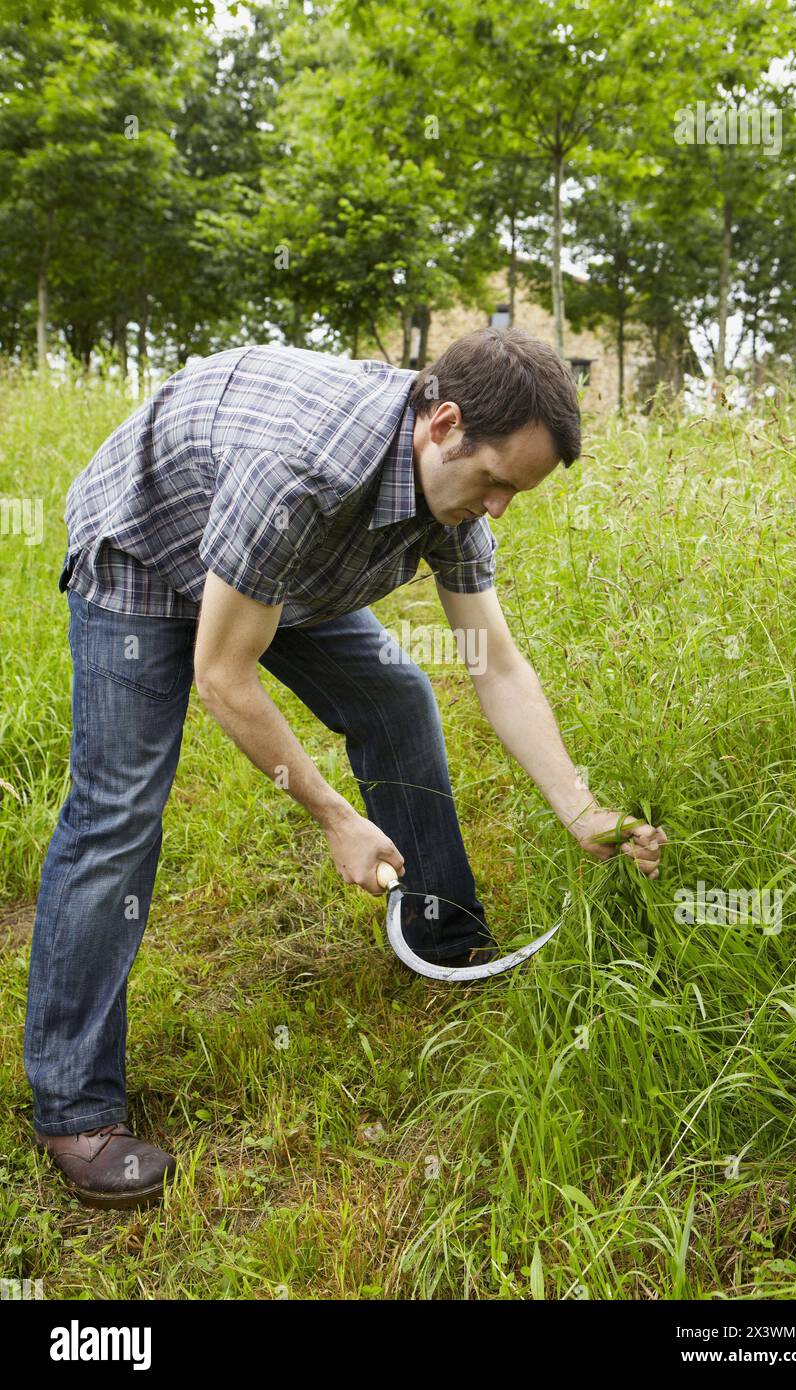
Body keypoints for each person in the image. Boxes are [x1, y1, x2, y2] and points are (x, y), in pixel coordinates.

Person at [25, 327, 666, 1209]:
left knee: (397, 697)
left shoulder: (454, 488)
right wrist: (334, 816)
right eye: (494, 483)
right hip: (148, 551)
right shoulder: (305, 475)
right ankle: (74, 1107)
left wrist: (582, 810)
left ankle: (444, 935)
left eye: (517, 490)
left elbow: (494, 662)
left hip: (284, 569)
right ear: (442, 425)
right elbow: (223, 674)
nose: (500, 508)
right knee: (119, 813)